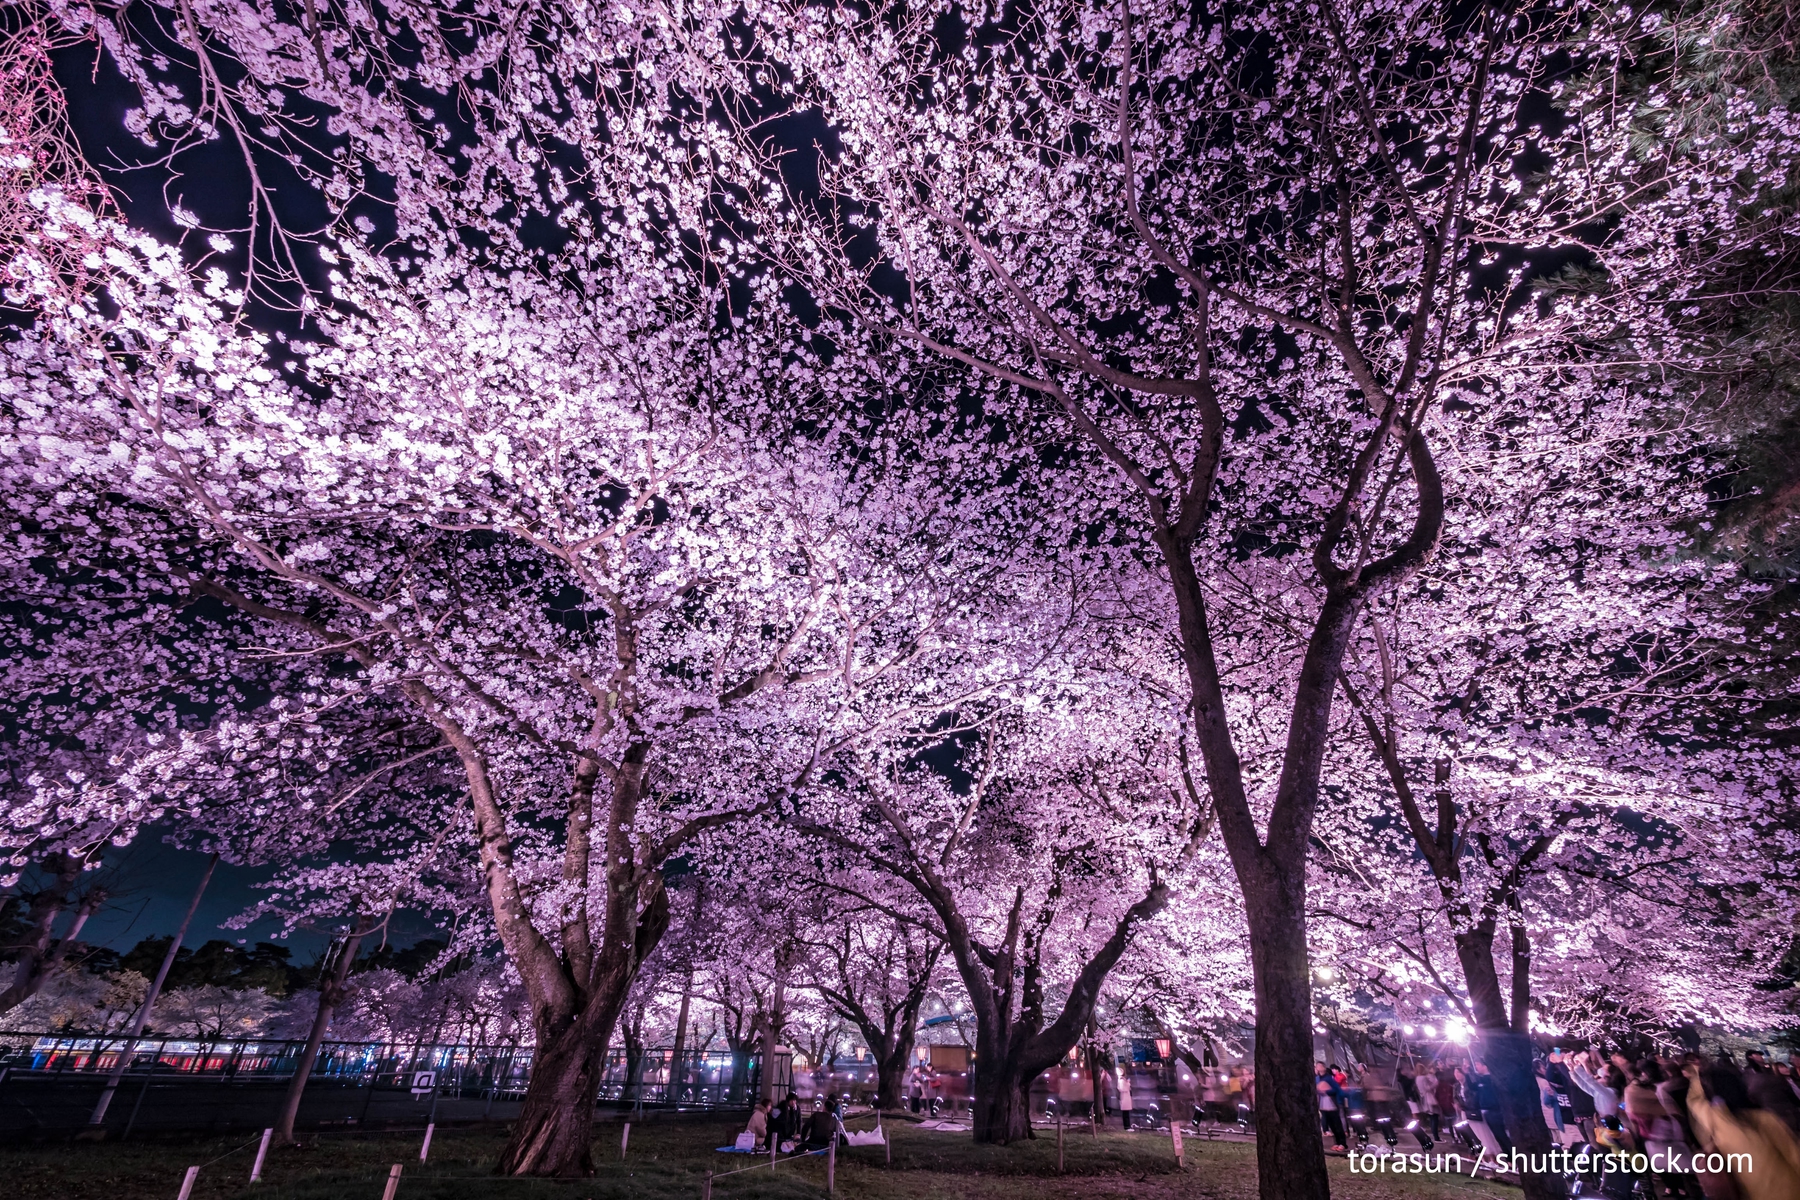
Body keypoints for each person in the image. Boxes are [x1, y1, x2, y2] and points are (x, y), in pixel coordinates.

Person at [1684, 1059, 1800, 1200]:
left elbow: (1694, 1100)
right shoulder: (1764, 1119)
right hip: (1790, 1189)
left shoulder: (1716, 1122)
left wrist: (1696, 1073)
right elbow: (1794, 1156)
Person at [1469, 1061, 1514, 1156]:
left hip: (1495, 1111)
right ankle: (1508, 1158)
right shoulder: (1480, 1081)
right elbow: (1472, 1087)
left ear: (1485, 1066)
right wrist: (1467, 1073)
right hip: (1487, 1112)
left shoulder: (1491, 1079)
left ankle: (1515, 1157)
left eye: (1478, 1065)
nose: (1476, 1067)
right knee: (1497, 1136)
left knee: (1503, 1135)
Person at [1316, 1061, 1348, 1151]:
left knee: (1337, 1124)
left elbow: (1336, 1089)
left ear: (1323, 1067)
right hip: (1323, 1105)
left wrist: (1326, 1091)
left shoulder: (1329, 1078)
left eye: (1319, 1066)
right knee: (1331, 1125)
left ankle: (1342, 1143)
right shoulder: (1317, 1078)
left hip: (1332, 1104)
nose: (1317, 1068)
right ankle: (1337, 1142)